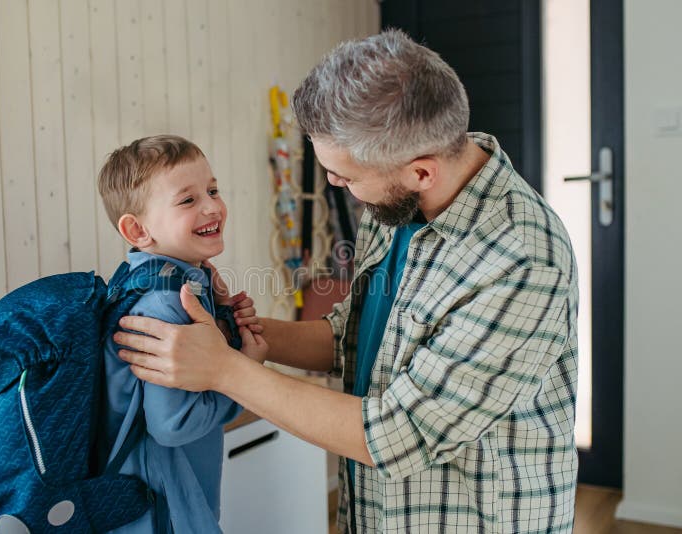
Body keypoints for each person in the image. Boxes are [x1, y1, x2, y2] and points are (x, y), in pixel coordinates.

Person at [114, 30, 579, 533]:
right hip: (375, 513)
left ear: (421, 172)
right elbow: (354, 338)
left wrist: (224, 370)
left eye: (346, 176)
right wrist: (236, 334)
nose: (336, 184)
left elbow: (401, 433)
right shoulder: (394, 203)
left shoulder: (522, 260)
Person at [97, 134, 268, 533]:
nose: (213, 206)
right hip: (163, 506)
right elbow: (172, 424)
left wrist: (227, 326)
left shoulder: (174, 282)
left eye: (213, 190)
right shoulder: (164, 303)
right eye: (188, 200)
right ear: (138, 230)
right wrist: (244, 376)